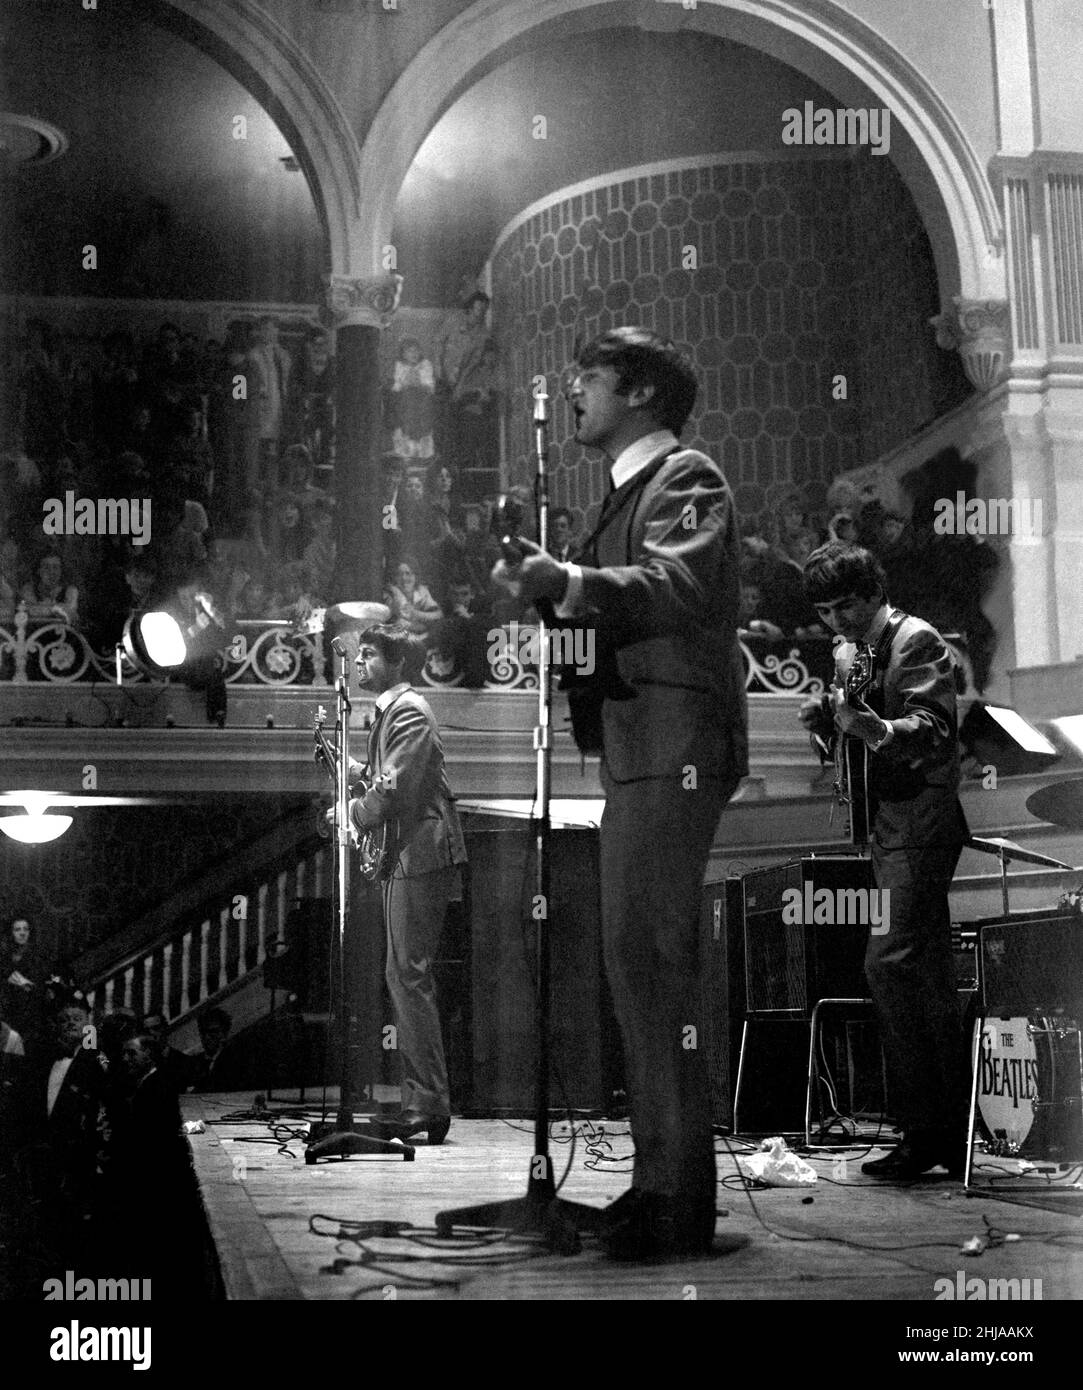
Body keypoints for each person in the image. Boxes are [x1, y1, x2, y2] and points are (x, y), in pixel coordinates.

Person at [493, 327, 749, 1259]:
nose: (572, 395)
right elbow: (607, 618)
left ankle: (676, 1201)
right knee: (638, 962)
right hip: (641, 742)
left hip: (675, 739)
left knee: (651, 958)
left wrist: (570, 579)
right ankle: (660, 1188)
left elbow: (676, 585)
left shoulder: (686, 477)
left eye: (588, 380)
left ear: (639, 392)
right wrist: (548, 597)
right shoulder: (616, 502)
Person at [798, 541, 969, 1178]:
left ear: (875, 592)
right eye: (825, 611)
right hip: (883, 827)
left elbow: (935, 728)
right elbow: (851, 733)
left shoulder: (916, 639)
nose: (836, 621)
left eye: (846, 605)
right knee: (917, 976)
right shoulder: (847, 652)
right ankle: (940, 1136)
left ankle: (930, 1133)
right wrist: (825, 723)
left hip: (922, 821)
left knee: (891, 962)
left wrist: (872, 728)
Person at [345, 622, 467, 1144]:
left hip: (420, 856)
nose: (358, 663)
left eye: (368, 655)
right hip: (409, 855)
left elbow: (394, 793)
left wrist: (353, 810)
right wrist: (354, 770)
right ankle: (422, 1100)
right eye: (359, 655)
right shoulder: (395, 713)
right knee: (403, 975)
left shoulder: (410, 711)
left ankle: (430, 1105)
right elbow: (390, 778)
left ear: (396, 663)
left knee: (407, 976)